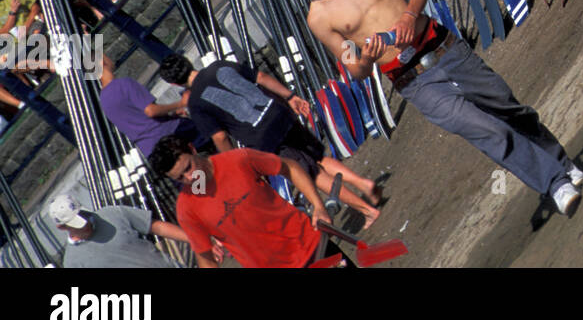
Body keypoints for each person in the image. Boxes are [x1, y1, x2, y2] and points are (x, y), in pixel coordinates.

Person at [272, 0, 583, 215]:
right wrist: (365, 58)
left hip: (444, 47)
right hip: (413, 81)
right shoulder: (319, 18)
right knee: (487, 131)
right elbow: (354, 67)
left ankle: (561, 163)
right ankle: (555, 184)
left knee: (508, 109)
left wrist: (409, 16)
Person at [158, 53, 381, 228]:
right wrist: (290, 96)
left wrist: (231, 162)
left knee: (310, 174)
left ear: (175, 85)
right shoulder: (220, 65)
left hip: (263, 137)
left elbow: (220, 136)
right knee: (317, 157)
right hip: (278, 113)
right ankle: (364, 184)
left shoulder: (195, 104)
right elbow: (261, 78)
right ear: (188, 62)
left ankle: (366, 210)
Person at [149, 135, 336, 268]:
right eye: (180, 178)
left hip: (312, 244)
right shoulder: (186, 208)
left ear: (192, 149)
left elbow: (290, 167)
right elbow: (206, 257)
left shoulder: (238, 159)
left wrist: (318, 206)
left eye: (188, 167)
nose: (189, 178)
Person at [47, 194, 192, 269]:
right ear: (62, 227)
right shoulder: (74, 262)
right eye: (77, 224)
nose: (86, 224)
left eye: (84, 215)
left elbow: (156, 226)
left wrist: (197, 240)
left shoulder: (112, 213)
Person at [98, 56, 204, 158]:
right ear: (102, 61)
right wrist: (181, 104)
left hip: (151, 150)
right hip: (172, 133)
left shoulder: (103, 100)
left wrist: (170, 113)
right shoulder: (124, 83)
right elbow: (150, 111)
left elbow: (139, 120)